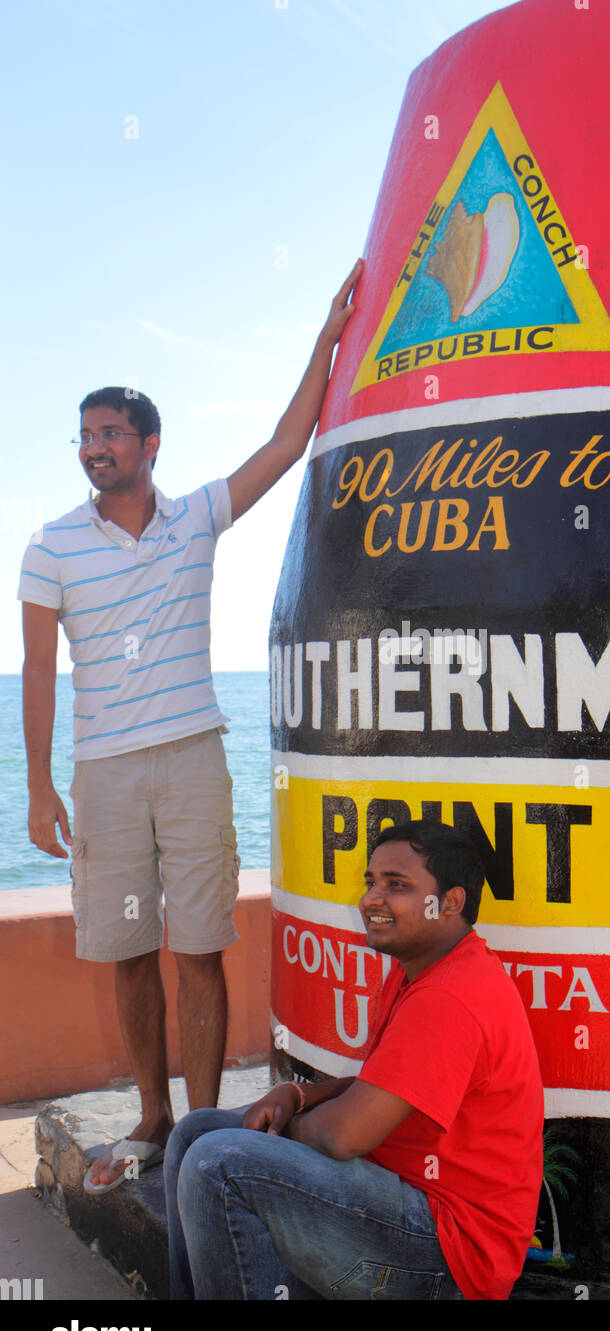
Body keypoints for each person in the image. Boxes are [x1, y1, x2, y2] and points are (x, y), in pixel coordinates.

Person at [18, 260, 363, 1192]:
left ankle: (201, 1127)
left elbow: (288, 443)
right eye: (84, 435)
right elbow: (40, 668)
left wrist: (327, 340)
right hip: (106, 774)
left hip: (194, 759)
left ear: (149, 443)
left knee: (199, 947)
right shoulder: (49, 546)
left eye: (109, 434)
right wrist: (42, 783)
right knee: (129, 954)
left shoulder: (198, 517)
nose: (93, 447)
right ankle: (153, 1114)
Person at [164, 819, 545, 1300]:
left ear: (450, 902)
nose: (371, 899)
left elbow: (343, 1136)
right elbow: (380, 1084)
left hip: (449, 1253)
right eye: (371, 882)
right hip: (400, 1195)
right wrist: (298, 1096)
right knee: (194, 1132)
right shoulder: (419, 968)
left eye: (397, 885)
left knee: (218, 1163)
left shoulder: (451, 995)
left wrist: (279, 1135)